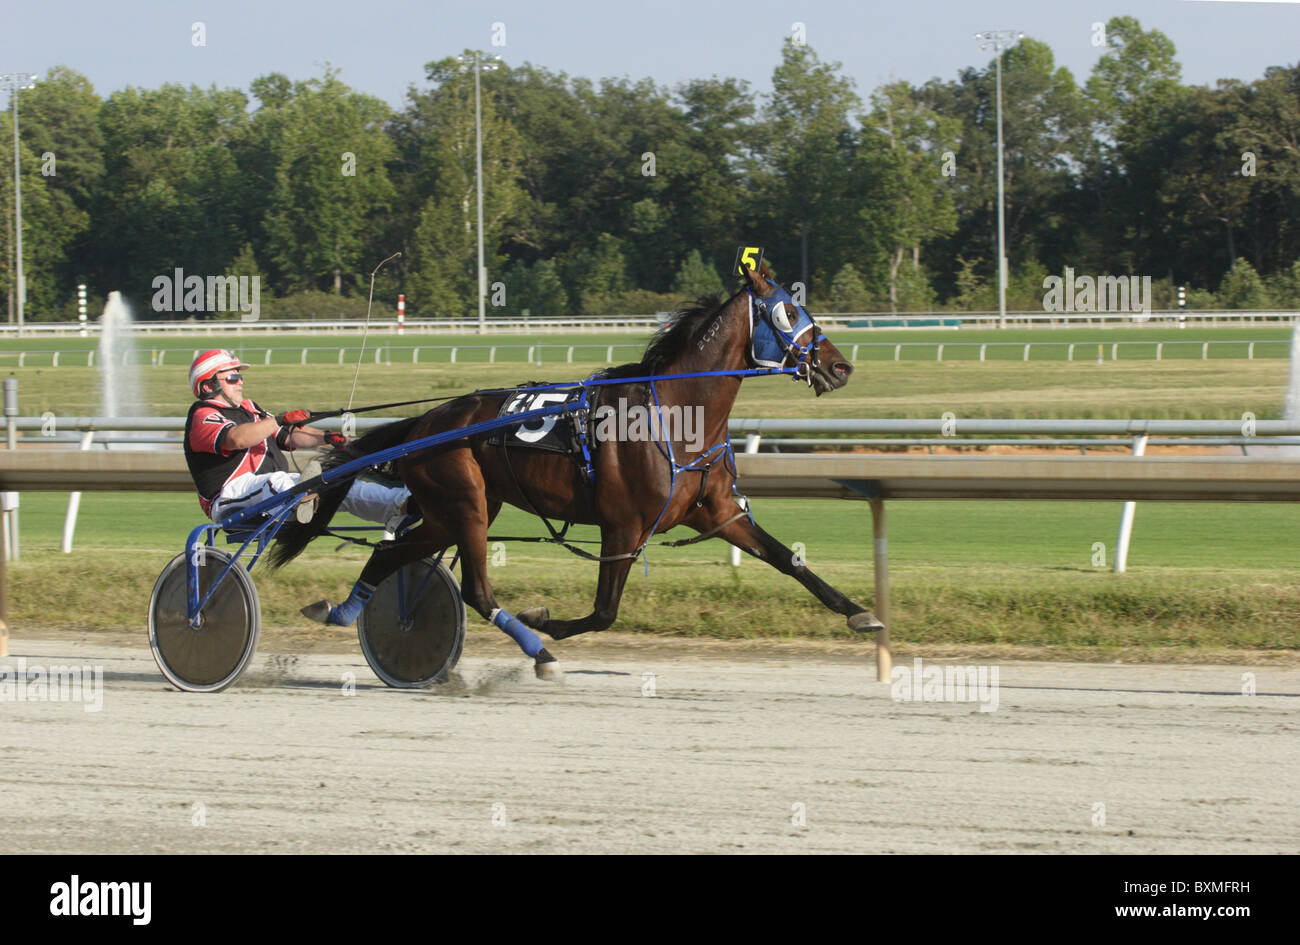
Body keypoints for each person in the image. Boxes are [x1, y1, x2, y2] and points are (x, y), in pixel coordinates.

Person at [183, 349, 412, 625]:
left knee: (338, 481)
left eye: (240, 375)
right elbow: (237, 439)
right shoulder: (203, 416)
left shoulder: (251, 410)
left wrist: (328, 438)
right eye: (232, 377)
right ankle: (303, 498)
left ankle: (396, 504)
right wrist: (277, 420)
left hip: (274, 493)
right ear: (209, 385)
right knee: (280, 481)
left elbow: (289, 436)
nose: (240, 381)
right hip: (232, 498)